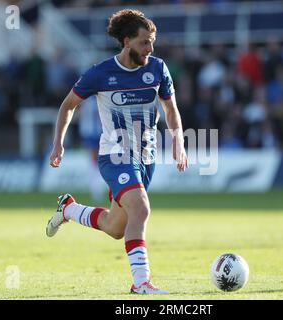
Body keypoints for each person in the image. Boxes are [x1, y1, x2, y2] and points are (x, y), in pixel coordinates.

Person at [46, 9, 188, 295]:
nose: (150, 48)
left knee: (115, 227)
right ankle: (142, 283)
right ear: (126, 41)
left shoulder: (158, 69)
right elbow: (68, 105)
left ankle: (69, 209)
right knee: (141, 207)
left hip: (146, 159)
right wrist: (58, 143)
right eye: (144, 42)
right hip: (115, 156)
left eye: (152, 42)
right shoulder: (101, 73)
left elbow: (170, 109)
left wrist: (179, 141)